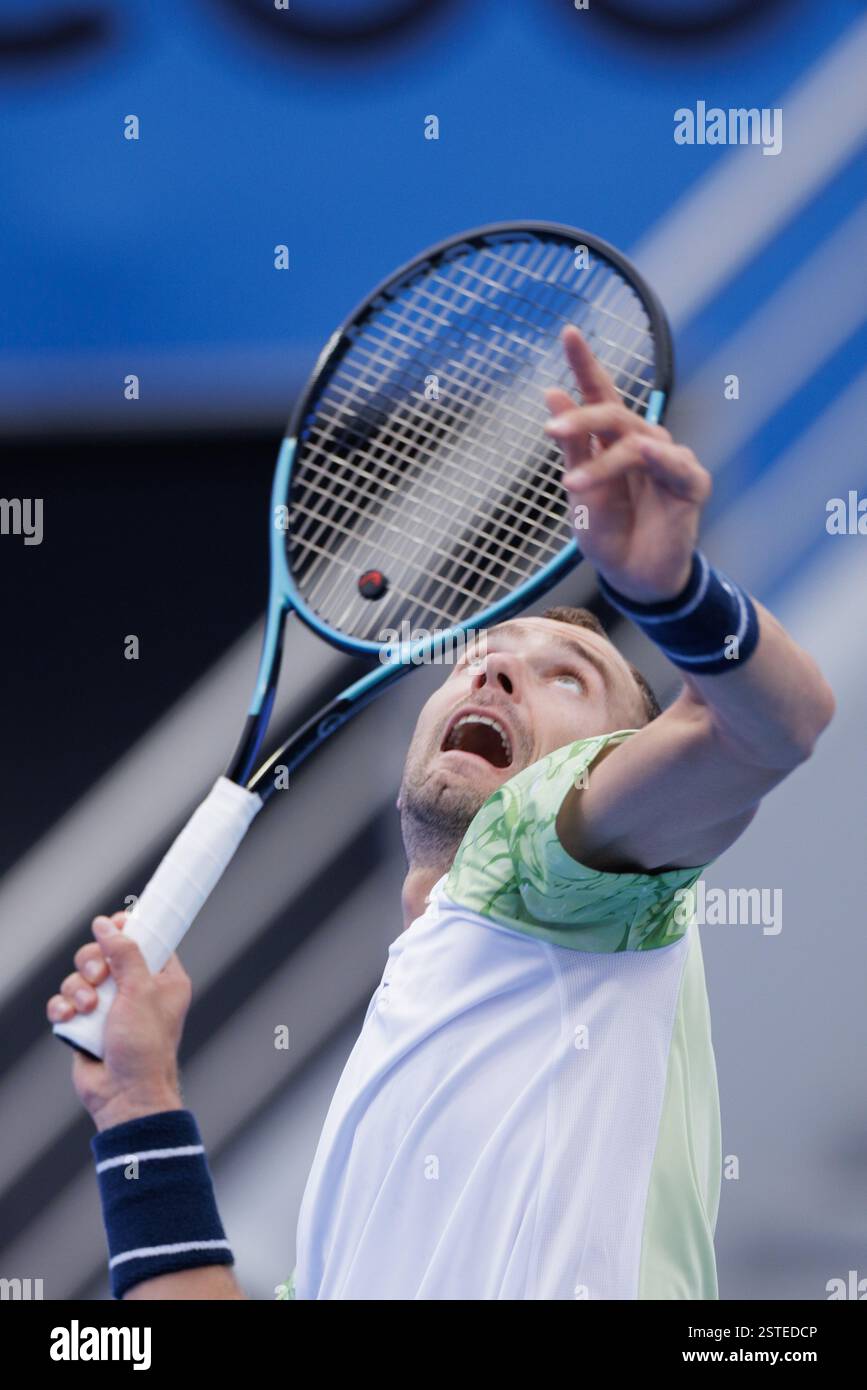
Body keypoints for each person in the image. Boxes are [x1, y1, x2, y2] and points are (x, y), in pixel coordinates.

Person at [47, 327, 835, 1300]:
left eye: (566, 677)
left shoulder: (549, 863)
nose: (497, 665)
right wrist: (136, 1097)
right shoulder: (389, 1116)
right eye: (480, 656)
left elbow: (777, 725)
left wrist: (678, 595)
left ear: (604, 765)